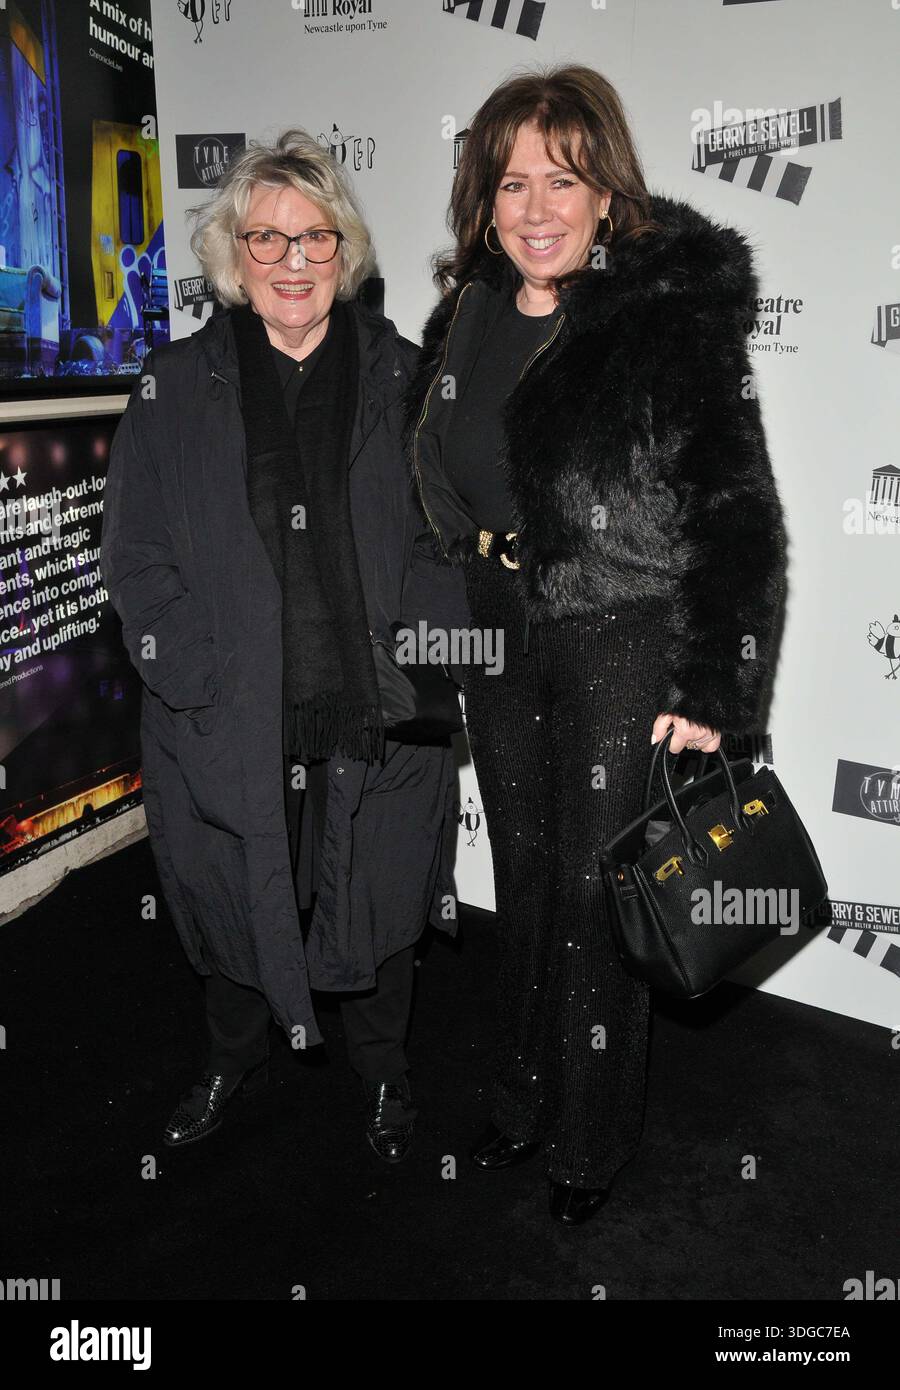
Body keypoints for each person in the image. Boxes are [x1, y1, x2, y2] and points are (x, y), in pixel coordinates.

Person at [404, 64, 788, 1224]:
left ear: (606, 188)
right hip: (501, 626)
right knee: (521, 880)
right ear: (483, 195)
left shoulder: (659, 314)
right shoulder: (466, 309)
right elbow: (444, 471)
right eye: (512, 181)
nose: (535, 208)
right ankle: (522, 1097)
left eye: (561, 178)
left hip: (625, 629)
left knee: (590, 892)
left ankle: (589, 1139)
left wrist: (720, 678)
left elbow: (739, 508)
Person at [100, 129, 467, 1162]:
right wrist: (195, 673)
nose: (293, 261)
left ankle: (386, 1074)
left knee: (381, 898)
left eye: (313, 238)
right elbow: (134, 555)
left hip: (373, 706)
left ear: (343, 249)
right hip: (227, 711)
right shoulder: (173, 385)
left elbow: (449, 544)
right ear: (233, 255)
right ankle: (230, 1055)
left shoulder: (405, 378)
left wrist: (420, 667)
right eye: (267, 239)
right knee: (229, 894)